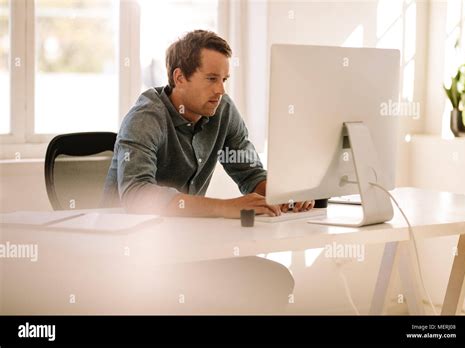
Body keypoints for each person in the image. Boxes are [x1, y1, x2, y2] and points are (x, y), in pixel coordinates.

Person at [102, 30, 315, 314]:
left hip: (187, 250)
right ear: (179, 78)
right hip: (132, 256)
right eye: (212, 79)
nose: (221, 91)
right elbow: (137, 196)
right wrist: (225, 208)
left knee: (273, 280)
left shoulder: (222, 110)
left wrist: (286, 194)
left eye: (224, 80)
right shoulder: (145, 118)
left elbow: (251, 174)